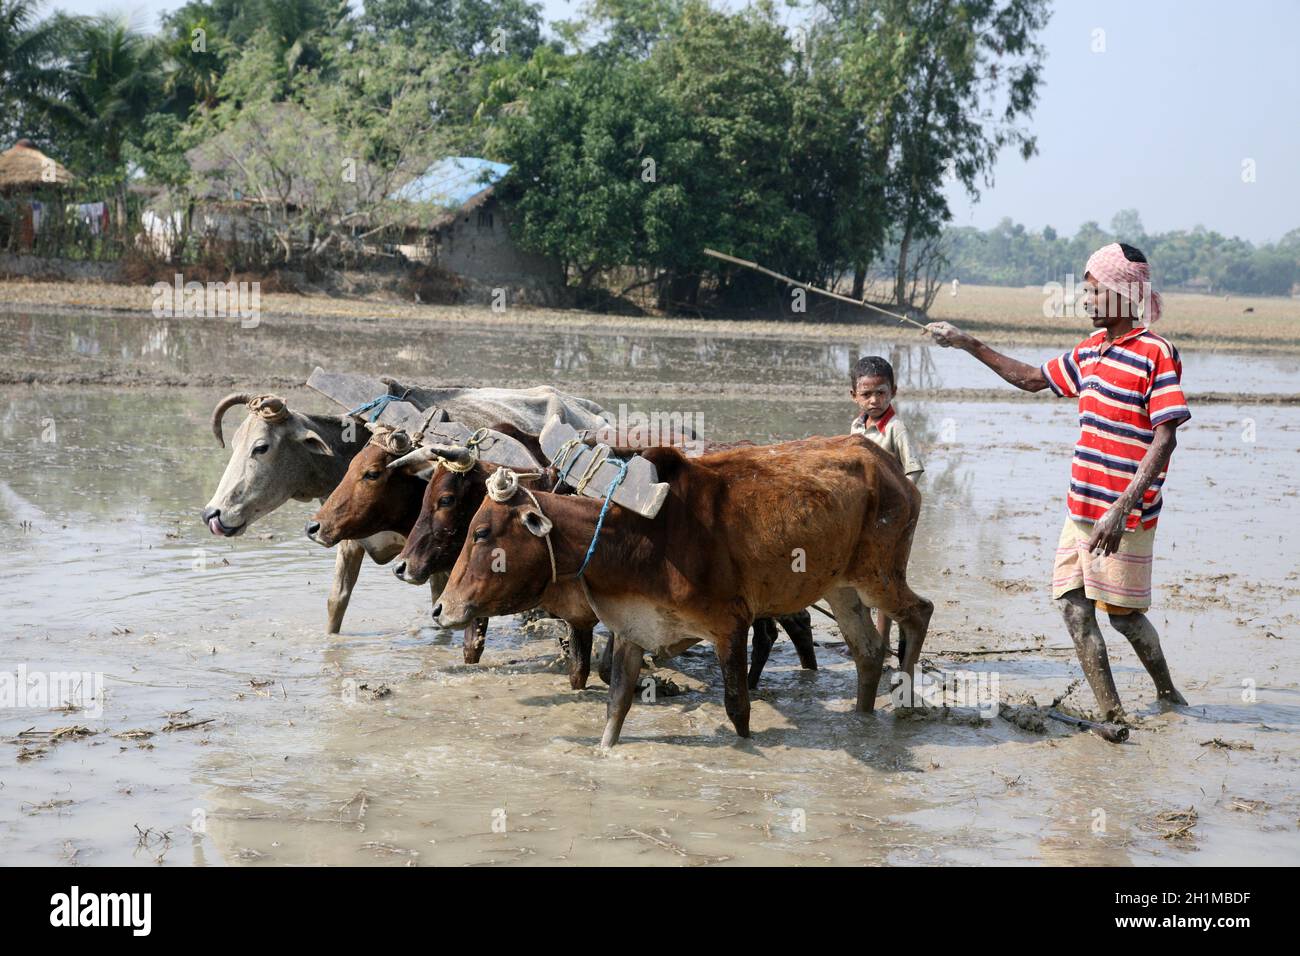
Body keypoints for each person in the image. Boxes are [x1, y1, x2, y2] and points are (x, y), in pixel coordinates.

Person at [924, 243, 1190, 722]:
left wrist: (1122, 508)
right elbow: (1029, 378)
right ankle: (1113, 715)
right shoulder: (1089, 352)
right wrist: (967, 343)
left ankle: (1169, 695)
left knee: (1125, 616)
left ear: (1121, 293)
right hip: (1081, 509)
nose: (1084, 300)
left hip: (1124, 515)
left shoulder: (1156, 353)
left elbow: (1165, 438)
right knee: (1072, 606)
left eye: (1092, 291)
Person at [849, 355, 923, 653]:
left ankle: (882, 639)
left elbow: (913, 469)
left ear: (894, 391)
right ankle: (866, 637)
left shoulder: (895, 429)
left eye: (881, 393)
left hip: (888, 519)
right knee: (859, 577)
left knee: (885, 578)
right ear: (854, 396)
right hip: (863, 516)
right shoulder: (856, 428)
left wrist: (899, 509)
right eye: (866, 394)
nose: (874, 400)